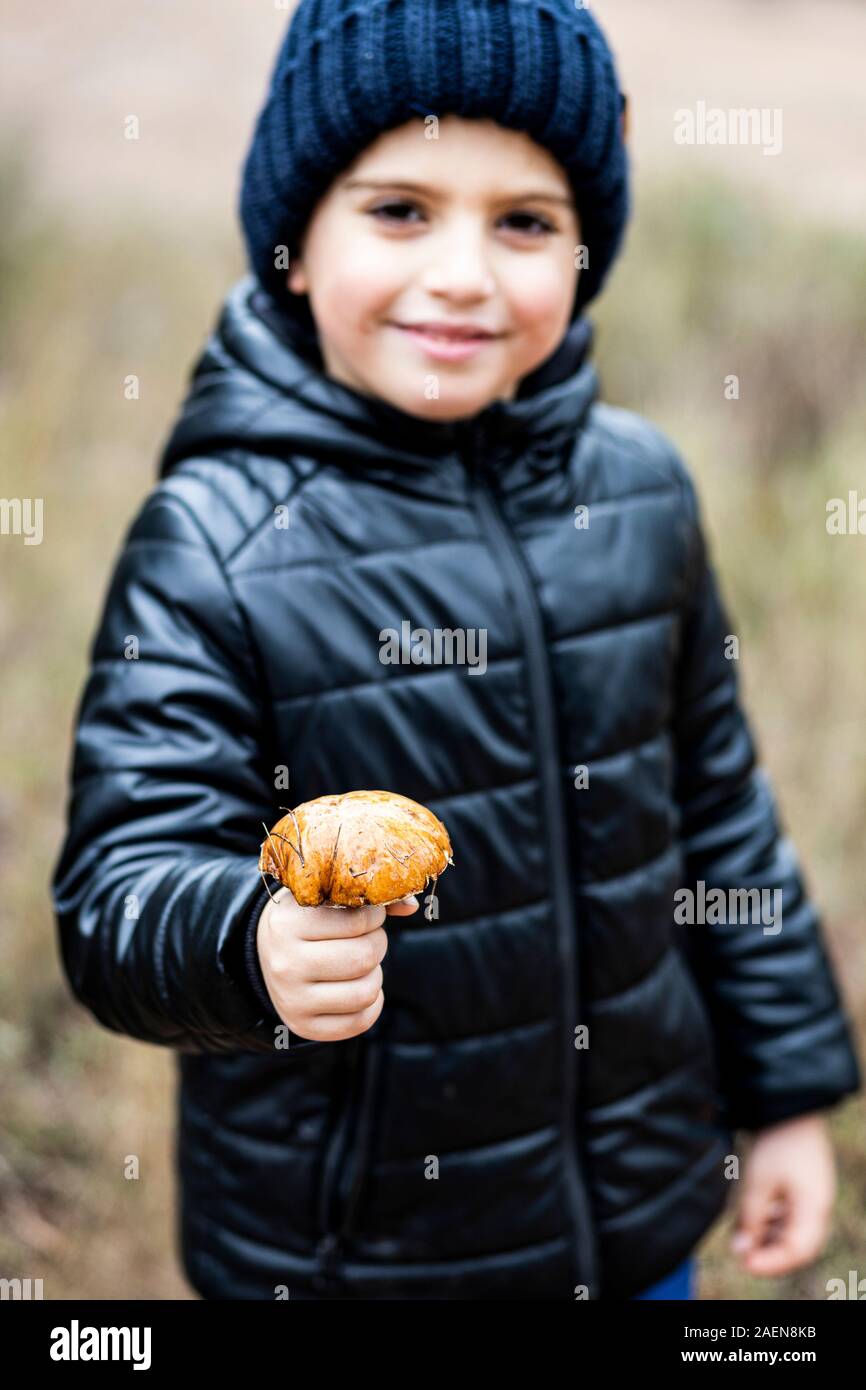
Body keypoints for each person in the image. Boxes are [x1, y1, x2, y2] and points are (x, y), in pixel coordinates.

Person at [51, 0, 861, 1301]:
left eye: (525, 221)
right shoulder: (211, 542)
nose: (466, 273)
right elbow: (115, 888)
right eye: (399, 210)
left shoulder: (641, 492)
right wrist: (243, 938)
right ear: (294, 245)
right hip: (354, 1258)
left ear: (585, 249)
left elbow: (720, 811)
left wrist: (785, 1095)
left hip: (637, 1215)